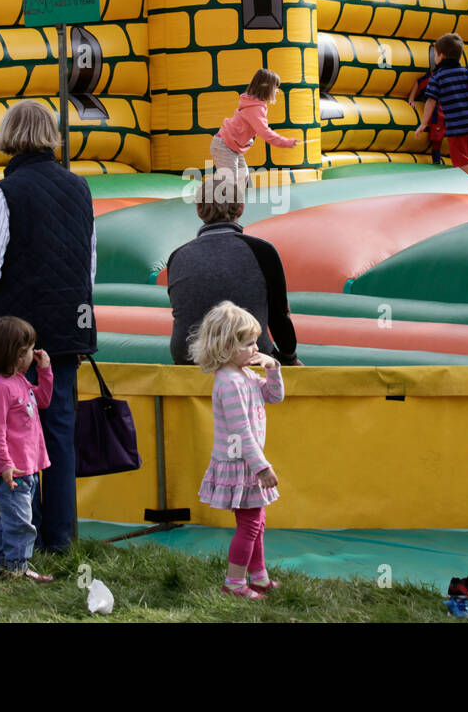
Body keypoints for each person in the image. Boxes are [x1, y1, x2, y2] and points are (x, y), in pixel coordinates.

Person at [0, 100, 96, 554]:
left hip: (14, 336)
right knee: (59, 436)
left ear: (8, 137)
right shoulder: (81, 189)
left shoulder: (5, 192)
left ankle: (24, 532)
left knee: (14, 431)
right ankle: (58, 540)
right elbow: (88, 267)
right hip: (66, 330)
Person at [192, 300, 286, 600]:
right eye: (248, 343)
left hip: (246, 463)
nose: (255, 348)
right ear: (226, 346)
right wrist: (262, 466)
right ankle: (234, 583)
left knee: (255, 521)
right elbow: (241, 432)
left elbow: (275, 396)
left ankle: (258, 576)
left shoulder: (245, 374)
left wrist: (273, 368)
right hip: (241, 464)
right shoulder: (229, 382)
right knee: (250, 523)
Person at [167, 177, 301, 367]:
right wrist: (290, 358)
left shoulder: (178, 256)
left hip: (190, 360)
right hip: (248, 358)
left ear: (198, 210)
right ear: (240, 208)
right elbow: (279, 315)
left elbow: (186, 310)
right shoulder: (262, 251)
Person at [0, 315, 54, 583]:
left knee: (8, 517)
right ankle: (17, 567)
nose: (29, 356)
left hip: (26, 465)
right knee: (21, 522)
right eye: (25, 352)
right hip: (12, 469)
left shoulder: (21, 381)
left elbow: (44, 400)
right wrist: (5, 465)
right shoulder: (0, 388)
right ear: (11, 354)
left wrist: (44, 370)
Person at [415, 33, 468, 194]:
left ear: (441, 56)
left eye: (435, 54)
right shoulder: (467, 71)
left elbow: (430, 102)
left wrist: (423, 123)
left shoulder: (438, 77)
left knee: (460, 159)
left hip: (457, 126)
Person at [211, 68, 300, 192]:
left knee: (243, 175)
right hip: (224, 146)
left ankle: (234, 204)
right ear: (267, 87)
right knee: (230, 183)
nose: (277, 91)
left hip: (232, 146)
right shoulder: (254, 108)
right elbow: (265, 133)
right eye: (275, 87)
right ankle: (221, 205)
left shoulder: (255, 104)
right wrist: (287, 142)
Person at [407, 68, 446, 165]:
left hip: (449, 112)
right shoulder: (434, 76)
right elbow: (419, 83)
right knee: (437, 138)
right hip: (438, 114)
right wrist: (411, 99)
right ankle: (436, 160)